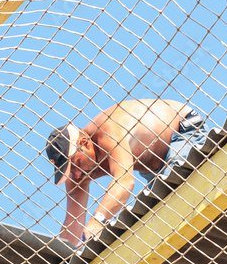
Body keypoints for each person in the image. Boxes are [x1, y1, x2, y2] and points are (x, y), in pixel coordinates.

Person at [45, 99, 207, 245]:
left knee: (174, 203)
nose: (77, 174)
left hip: (182, 132)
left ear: (85, 143)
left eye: (76, 164)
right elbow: (73, 222)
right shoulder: (76, 173)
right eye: (70, 171)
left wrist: (97, 222)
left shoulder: (107, 129)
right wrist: (62, 258)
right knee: (159, 219)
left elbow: (125, 181)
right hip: (156, 169)